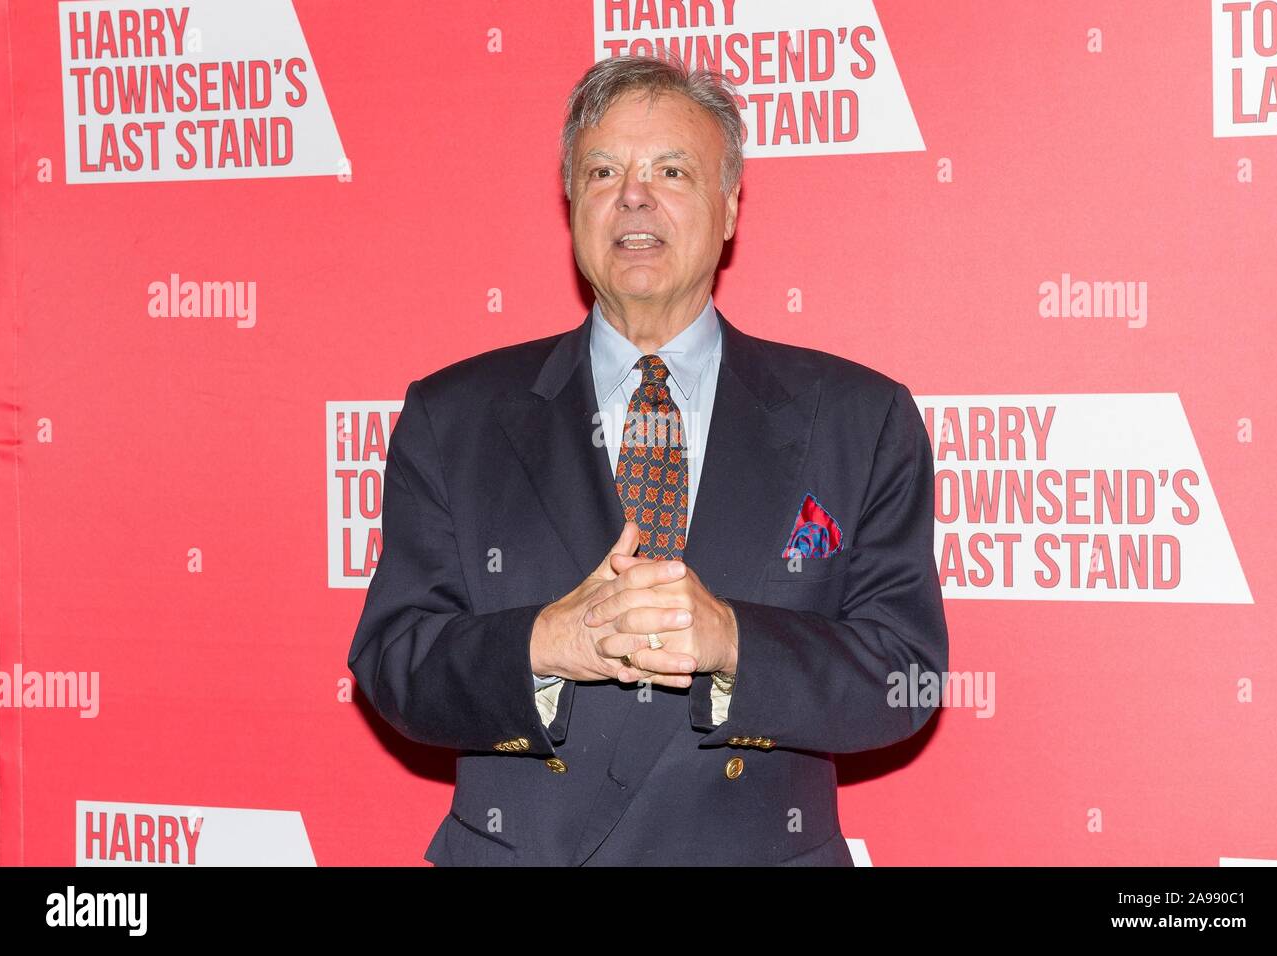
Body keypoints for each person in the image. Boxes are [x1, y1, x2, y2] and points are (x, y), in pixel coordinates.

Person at [346, 53, 949, 866]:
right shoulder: (453, 416)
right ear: (572, 207)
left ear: (731, 205)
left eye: (671, 169)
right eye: (603, 171)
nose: (633, 195)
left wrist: (735, 640)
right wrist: (542, 644)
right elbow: (393, 665)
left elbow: (903, 676)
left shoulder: (858, 418)